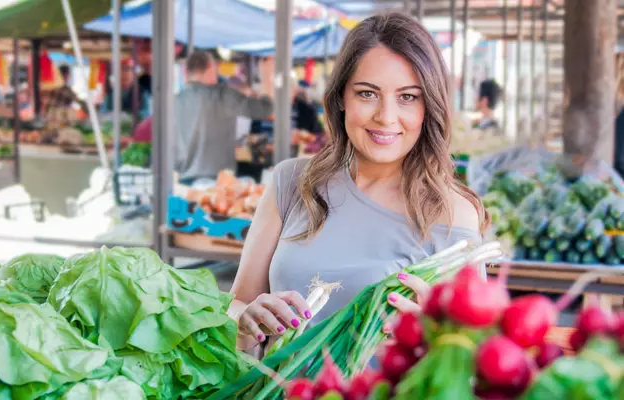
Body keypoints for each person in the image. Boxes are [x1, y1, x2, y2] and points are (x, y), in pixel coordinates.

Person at [228, 12, 490, 356]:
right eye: (367, 93)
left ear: (430, 106)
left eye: (408, 97)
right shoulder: (291, 182)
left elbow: (477, 353)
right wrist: (246, 317)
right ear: (341, 98)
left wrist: (438, 340)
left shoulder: (451, 214)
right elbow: (235, 305)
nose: (386, 116)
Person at [174, 50, 274, 181]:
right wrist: (267, 75)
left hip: (182, 183)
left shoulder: (173, 102)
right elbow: (264, 109)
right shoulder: (223, 95)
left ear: (186, 73)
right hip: (218, 184)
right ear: (210, 70)